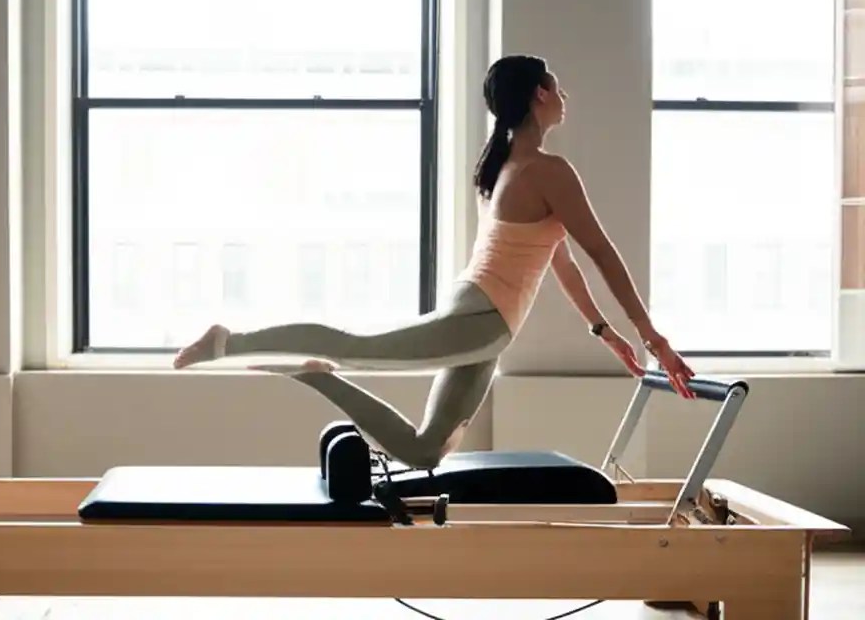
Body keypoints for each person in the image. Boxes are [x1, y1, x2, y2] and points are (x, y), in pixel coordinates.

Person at [171, 54, 697, 470]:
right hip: (481, 318)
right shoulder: (546, 171)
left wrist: (604, 330)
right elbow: (601, 252)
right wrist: (658, 342)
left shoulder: (505, 166)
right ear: (539, 95)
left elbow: (560, 259)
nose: (564, 97)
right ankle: (228, 341)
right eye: (556, 87)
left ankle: (314, 375)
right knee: (361, 350)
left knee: (426, 450)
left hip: (483, 316)